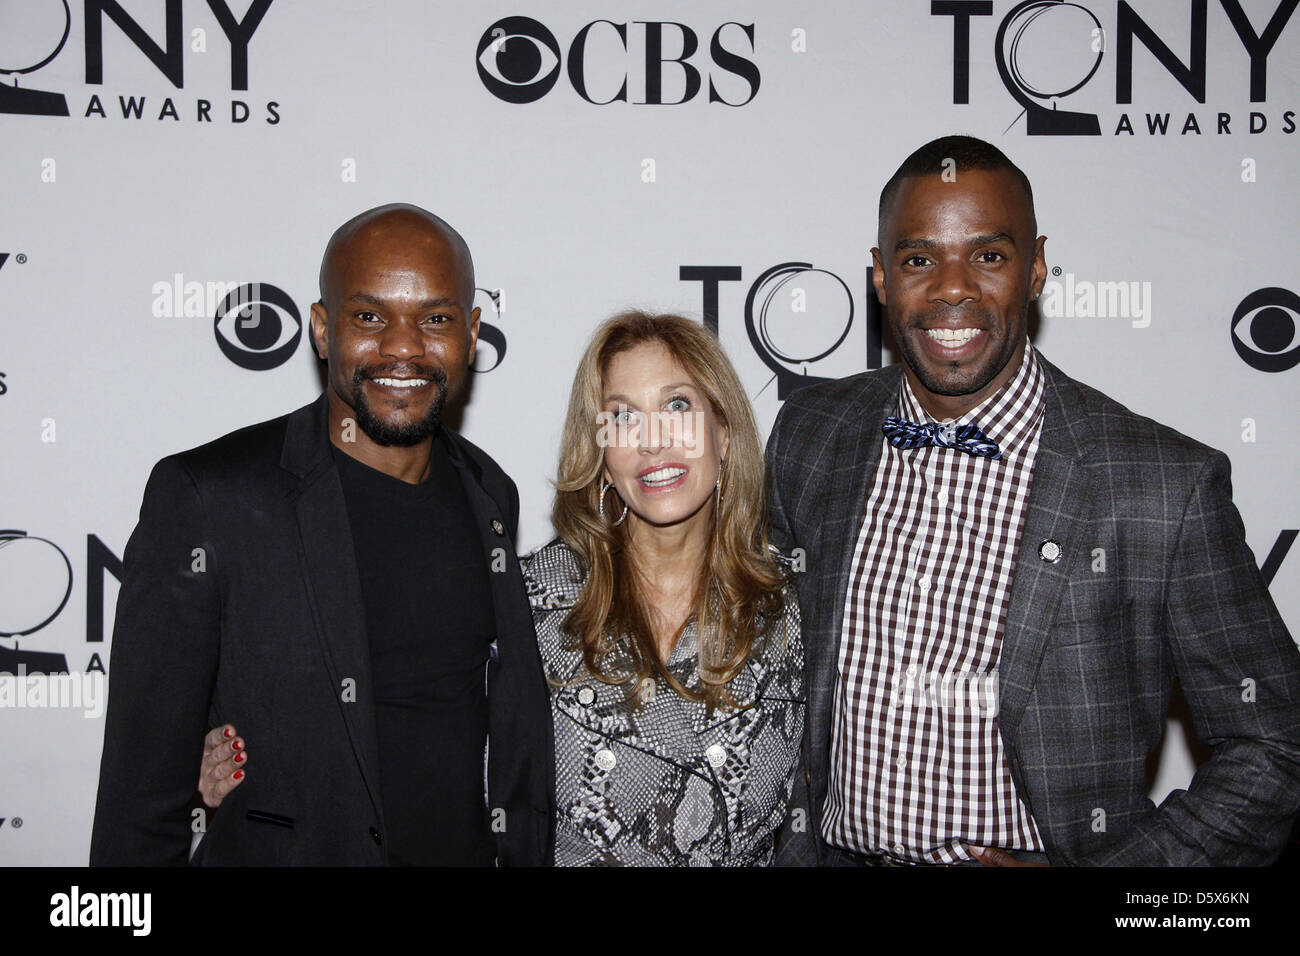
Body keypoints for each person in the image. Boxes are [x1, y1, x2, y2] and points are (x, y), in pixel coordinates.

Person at [768, 135, 1300, 867]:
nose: (953, 288)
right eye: (919, 258)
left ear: (1038, 267)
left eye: (988, 256)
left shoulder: (1159, 487)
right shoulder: (811, 435)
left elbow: (1276, 741)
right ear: (881, 278)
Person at [202, 312, 806, 865]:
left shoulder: (794, 603)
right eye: (622, 415)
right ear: (600, 450)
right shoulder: (529, 600)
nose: (652, 440)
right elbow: (396, 720)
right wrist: (239, 748)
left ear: (724, 434)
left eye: (677, 406)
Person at [91, 204, 554, 866]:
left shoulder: (489, 492)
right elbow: (141, 797)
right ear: (321, 328)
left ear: (471, 333)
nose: (402, 346)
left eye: (436, 318)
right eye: (369, 317)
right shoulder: (210, 496)